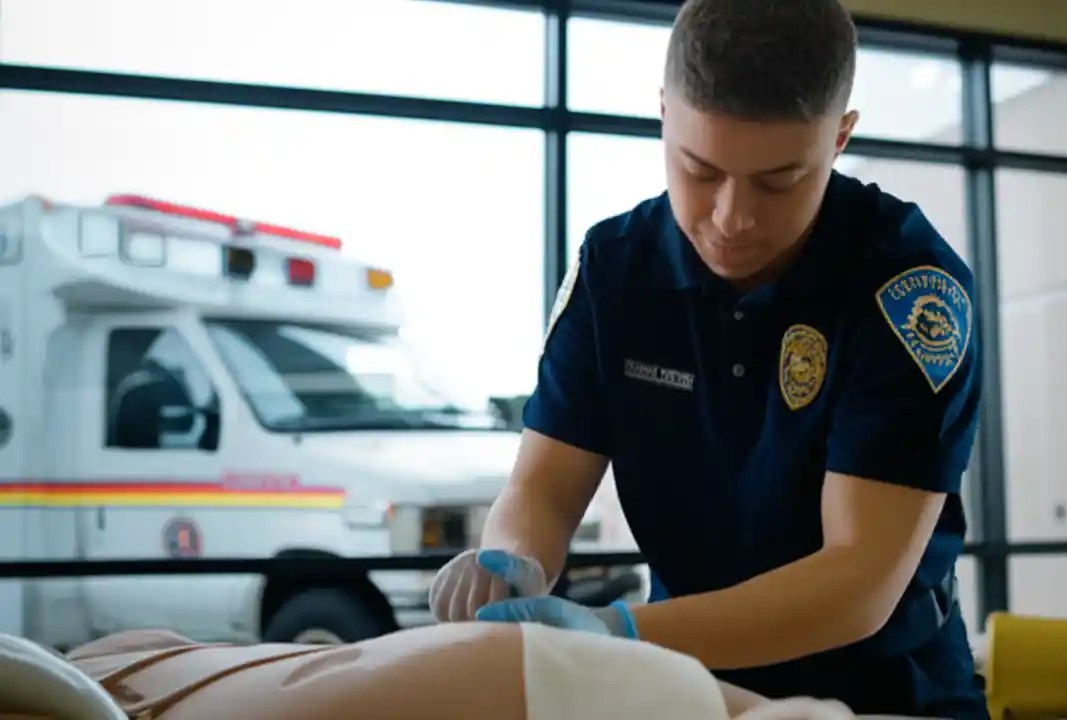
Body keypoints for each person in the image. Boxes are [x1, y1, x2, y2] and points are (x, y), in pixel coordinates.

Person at [429, 0, 986, 717]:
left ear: (841, 136)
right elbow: (545, 488)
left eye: (779, 181)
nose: (731, 218)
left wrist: (618, 632)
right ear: (664, 114)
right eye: (699, 169)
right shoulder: (614, 270)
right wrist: (511, 564)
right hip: (684, 678)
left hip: (882, 690)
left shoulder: (908, 289)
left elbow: (858, 583)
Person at [0, 624, 858, 719]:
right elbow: (548, 469)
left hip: (546, 684)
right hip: (538, 686)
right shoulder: (618, 259)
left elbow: (864, 575)